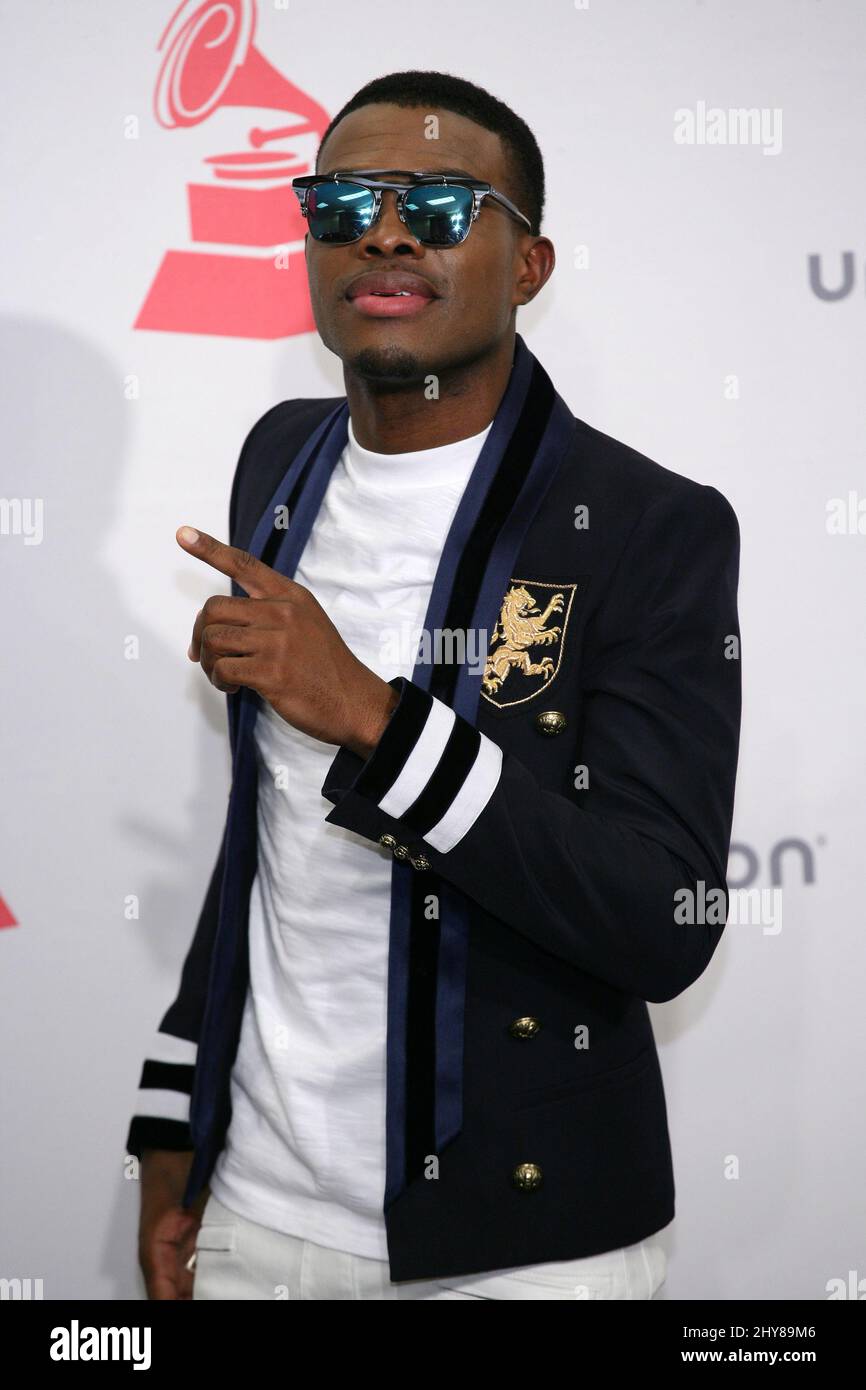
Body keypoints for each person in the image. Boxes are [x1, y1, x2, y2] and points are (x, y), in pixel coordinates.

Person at [126, 70, 741, 1301]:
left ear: (528, 264)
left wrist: (370, 713)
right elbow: (264, 837)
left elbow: (661, 920)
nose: (386, 230)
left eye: (445, 205)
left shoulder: (646, 524)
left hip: (516, 1249)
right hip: (251, 1207)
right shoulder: (278, 463)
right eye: (343, 200)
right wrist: (173, 1118)